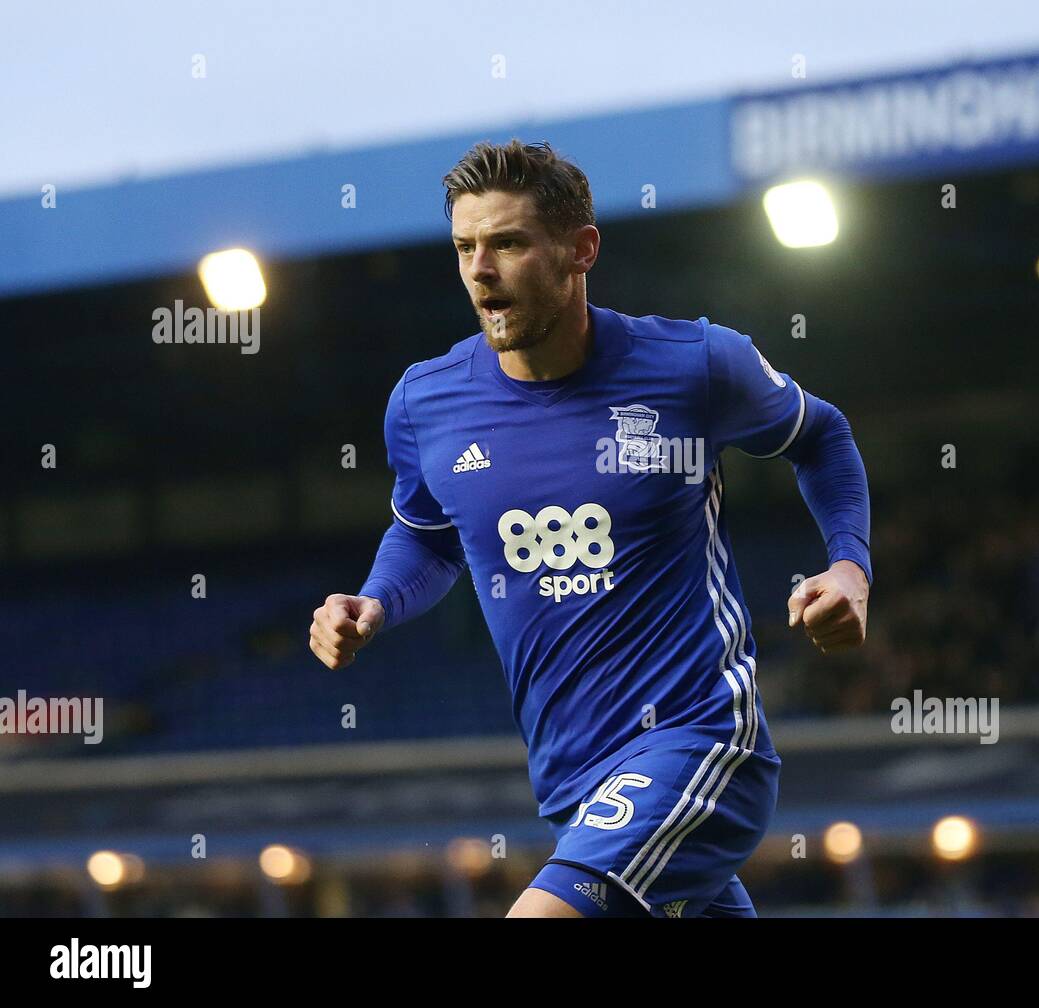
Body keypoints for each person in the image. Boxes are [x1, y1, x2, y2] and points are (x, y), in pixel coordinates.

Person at [309, 139, 872, 917]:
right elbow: (430, 533)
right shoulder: (423, 403)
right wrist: (374, 601)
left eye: (507, 243)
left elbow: (821, 436)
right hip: (574, 782)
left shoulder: (696, 365)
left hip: (700, 740)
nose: (480, 270)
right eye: (465, 247)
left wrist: (849, 568)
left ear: (581, 251)